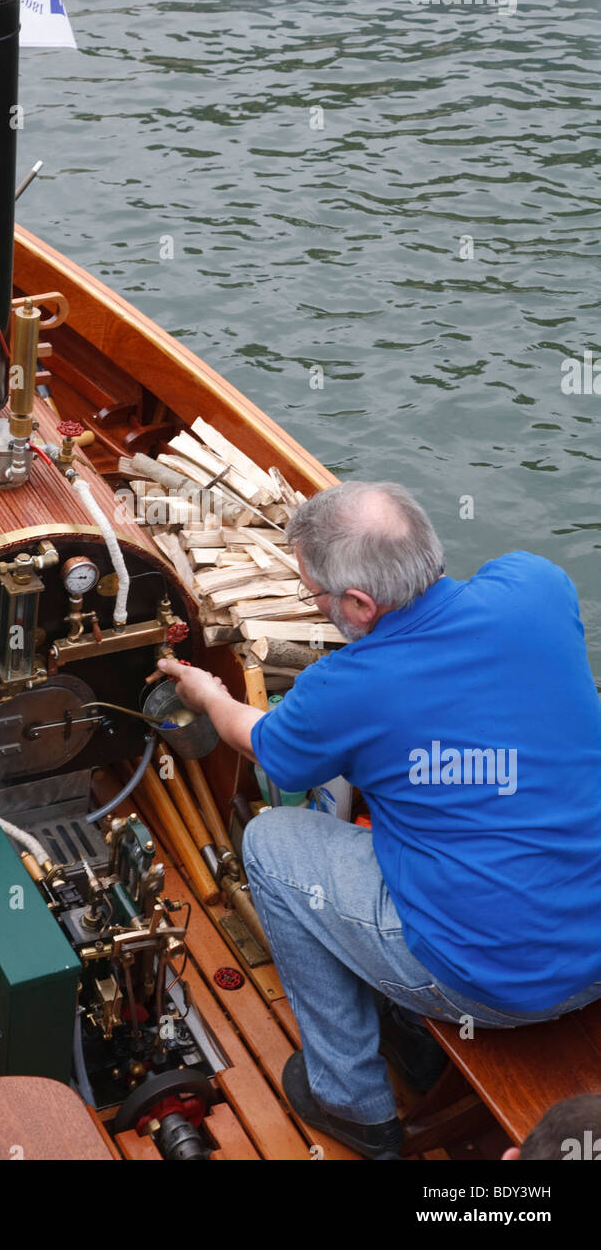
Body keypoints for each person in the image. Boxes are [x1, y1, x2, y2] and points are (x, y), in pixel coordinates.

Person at [157, 481, 601, 1159]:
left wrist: (209, 693)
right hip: (593, 955)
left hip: (494, 983)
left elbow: (265, 743)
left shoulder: (346, 687)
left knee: (272, 842)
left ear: (360, 604)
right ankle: (416, 1035)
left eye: (315, 595)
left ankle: (350, 1099)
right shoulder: (538, 586)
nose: (316, 605)